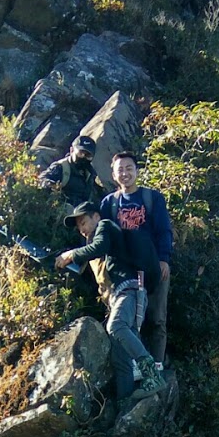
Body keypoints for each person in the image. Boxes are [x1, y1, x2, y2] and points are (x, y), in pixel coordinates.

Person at [55, 203, 164, 404]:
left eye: (84, 222)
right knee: (120, 357)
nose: (82, 229)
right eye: (79, 227)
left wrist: (71, 254)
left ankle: (152, 375)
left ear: (96, 216)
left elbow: (99, 247)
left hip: (129, 289)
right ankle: (126, 403)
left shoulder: (105, 226)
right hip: (121, 296)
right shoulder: (106, 248)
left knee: (116, 326)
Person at [100, 153, 174, 365]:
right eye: (120, 169)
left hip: (153, 266)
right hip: (125, 272)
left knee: (157, 317)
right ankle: (136, 366)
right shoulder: (109, 203)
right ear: (113, 175)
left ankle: (157, 365)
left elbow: (164, 231)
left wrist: (164, 259)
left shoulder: (152, 198)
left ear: (137, 171)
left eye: (129, 168)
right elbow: (102, 238)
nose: (125, 173)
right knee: (129, 320)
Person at [38, 135, 104, 207]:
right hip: (61, 211)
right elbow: (41, 179)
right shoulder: (61, 167)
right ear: (72, 150)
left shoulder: (90, 174)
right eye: (80, 153)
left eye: (88, 155)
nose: (83, 157)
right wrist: (55, 189)